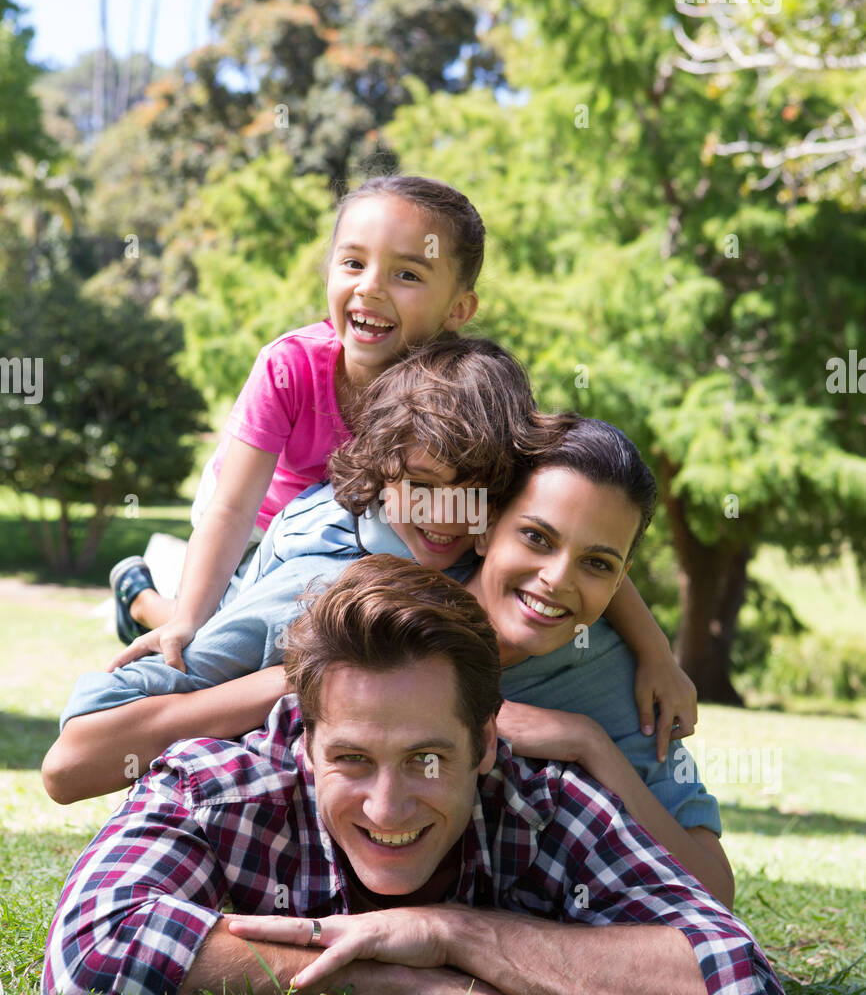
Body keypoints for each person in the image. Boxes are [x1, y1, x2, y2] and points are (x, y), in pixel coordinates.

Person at [42, 347, 731, 904]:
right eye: (537, 539)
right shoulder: (335, 598)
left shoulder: (604, 673)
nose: (556, 581)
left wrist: (592, 742)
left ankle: (149, 594)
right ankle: (146, 597)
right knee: (195, 622)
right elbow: (70, 767)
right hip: (277, 562)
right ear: (493, 531)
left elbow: (714, 890)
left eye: (598, 565)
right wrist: (294, 683)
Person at [42, 556, 790, 995]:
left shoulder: (544, 808)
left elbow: (741, 994)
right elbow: (91, 947)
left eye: (427, 760)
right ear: (305, 743)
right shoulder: (219, 787)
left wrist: (448, 932)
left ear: (488, 746)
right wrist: (405, 984)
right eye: (352, 759)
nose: (388, 805)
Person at [109, 174, 484, 657]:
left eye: (407, 274)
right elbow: (232, 508)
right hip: (256, 517)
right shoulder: (289, 367)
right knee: (228, 636)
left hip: (346, 526)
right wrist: (185, 620)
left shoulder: (463, 391)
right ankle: (141, 599)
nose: (369, 287)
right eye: (353, 263)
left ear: (458, 308)